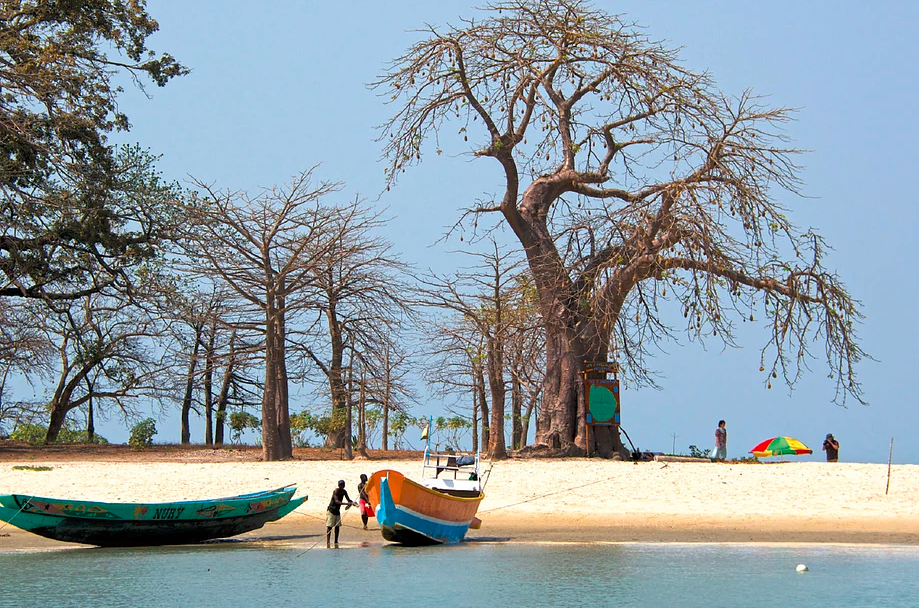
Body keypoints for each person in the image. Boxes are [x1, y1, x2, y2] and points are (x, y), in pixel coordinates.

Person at [326, 479, 356, 547]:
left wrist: (352, 503)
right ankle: (328, 541)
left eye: (343, 485)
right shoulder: (335, 491)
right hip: (331, 510)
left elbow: (348, 499)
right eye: (341, 485)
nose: (342, 486)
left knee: (337, 527)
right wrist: (346, 503)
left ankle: (336, 541)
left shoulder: (344, 491)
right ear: (338, 485)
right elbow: (336, 501)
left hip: (337, 511)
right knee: (329, 527)